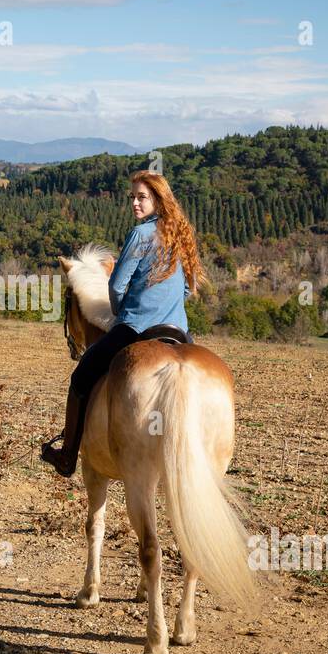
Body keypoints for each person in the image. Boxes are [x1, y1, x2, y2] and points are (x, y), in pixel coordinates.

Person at [40, 170, 206, 477]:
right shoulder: (182, 234)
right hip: (178, 331)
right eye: (132, 197)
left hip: (135, 328)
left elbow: (116, 286)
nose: (135, 203)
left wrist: (119, 312)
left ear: (159, 199)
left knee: (81, 377)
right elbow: (189, 287)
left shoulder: (141, 235)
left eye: (142, 197)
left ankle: (66, 456)